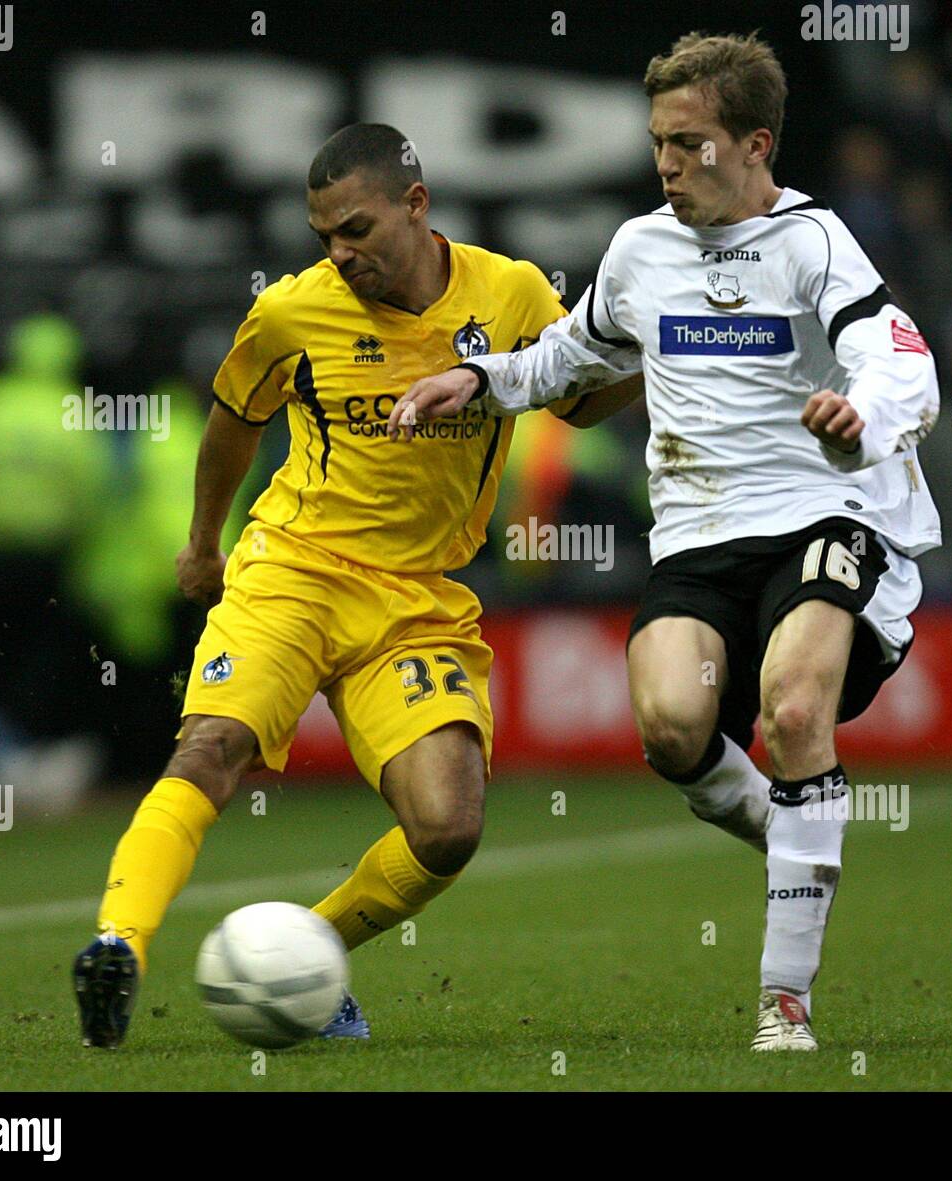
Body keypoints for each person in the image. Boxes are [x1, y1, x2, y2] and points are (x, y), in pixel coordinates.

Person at [390, 32, 942, 1052]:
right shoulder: (640, 249)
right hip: (697, 535)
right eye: (658, 143)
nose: (667, 164)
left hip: (826, 516)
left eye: (688, 143)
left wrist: (860, 413)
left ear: (755, 142)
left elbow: (898, 355)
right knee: (669, 729)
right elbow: (571, 356)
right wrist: (478, 379)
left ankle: (784, 1000)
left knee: (790, 705)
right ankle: (796, 841)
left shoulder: (815, 243)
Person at [72, 122, 639, 1049]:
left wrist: (641, 359)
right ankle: (117, 946)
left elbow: (575, 400)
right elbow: (232, 419)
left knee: (448, 828)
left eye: (356, 229)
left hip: (417, 600)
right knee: (212, 746)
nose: (339, 252)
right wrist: (202, 543)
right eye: (324, 235)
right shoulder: (293, 312)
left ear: (416, 206)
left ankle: (309, 949)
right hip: (293, 569)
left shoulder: (514, 293)